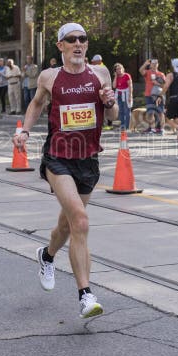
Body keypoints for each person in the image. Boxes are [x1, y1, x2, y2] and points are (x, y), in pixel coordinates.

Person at [13, 22, 116, 319]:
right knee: (81, 222)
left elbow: (111, 116)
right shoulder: (49, 77)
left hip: (88, 160)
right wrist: (24, 131)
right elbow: (35, 105)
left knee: (67, 226)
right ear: (60, 46)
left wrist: (109, 103)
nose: (78, 44)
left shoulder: (100, 74)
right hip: (58, 158)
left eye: (82, 39)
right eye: (71, 40)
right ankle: (86, 295)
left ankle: (46, 255)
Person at [138, 58, 166, 134]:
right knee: (150, 112)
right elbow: (140, 71)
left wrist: (157, 84)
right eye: (153, 64)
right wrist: (145, 64)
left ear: (158, 65)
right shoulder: (148, 72)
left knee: (160, 112)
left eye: (155, 64)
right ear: (150, 65)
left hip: (158, 95)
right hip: (148, 94)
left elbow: (165, 86)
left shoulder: (161, 74)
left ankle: (162, 129)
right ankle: (152, 128)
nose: (154, 65)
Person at [114, 63, 133, 131]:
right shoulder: (117, 77)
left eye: (120, 68)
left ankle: (127, 126)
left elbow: (130, 86)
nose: (119, 70)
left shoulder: (127, 75)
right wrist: (115, 76)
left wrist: (130, 95)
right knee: (121, 111)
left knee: (127, 110)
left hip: (126, 93)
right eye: (117, 69)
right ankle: (122, 126)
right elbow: (114, 86)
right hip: (119, 94)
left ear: (123, 69)